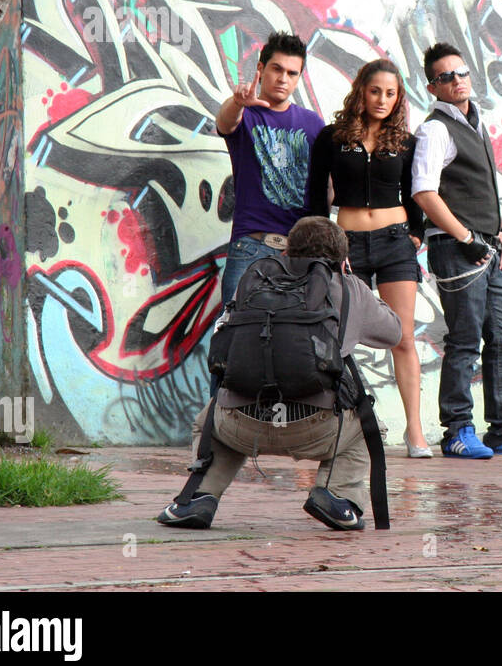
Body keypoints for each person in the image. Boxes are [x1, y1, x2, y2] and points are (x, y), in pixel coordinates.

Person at [157, 217, 403, 530]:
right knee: (371, 428)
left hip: (240, 423)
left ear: (286, 251)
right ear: (343, 259)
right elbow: (393, 333)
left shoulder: (255, 278)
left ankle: (200, 497)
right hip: (316, 427)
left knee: (208, 420)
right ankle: (337, 497)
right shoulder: (348, 287)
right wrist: (356, 287)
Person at [411, 43, 502, 458]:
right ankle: (456, 431)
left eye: (462, 73)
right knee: (465, 341)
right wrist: (467, 239)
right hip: (456, 248)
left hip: (488, 246)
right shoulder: (435, 129)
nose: (457, 81)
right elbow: (424, 193)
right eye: (446, 77)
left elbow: (484, 188)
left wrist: (501, 226)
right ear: (433, 87)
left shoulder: (477, 123)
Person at [308, 58, 431, 458]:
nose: (382, 99)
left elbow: (415, 192)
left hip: (394, 243)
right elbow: (314, 197)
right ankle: (325, 429)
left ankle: (415, 432)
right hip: (345, 244)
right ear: (361, 89)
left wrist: (416, 233)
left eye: (390, 93)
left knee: (403, 337)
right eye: (375, 90)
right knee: (335, 338)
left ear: (399, 99)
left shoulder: (406, 142)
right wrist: (317, 243)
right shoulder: (331, 138)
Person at [216, 31, 324, 308]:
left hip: (299, 252)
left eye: (292, 73)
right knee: (233, 333)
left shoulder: (313, 124)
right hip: (251, 246)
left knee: (292, 340)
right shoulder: (245, 114)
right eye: (277, 69)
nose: (283, 79)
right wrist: (238, 102)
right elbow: (225, 123)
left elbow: (328, 187)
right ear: (261, 69)